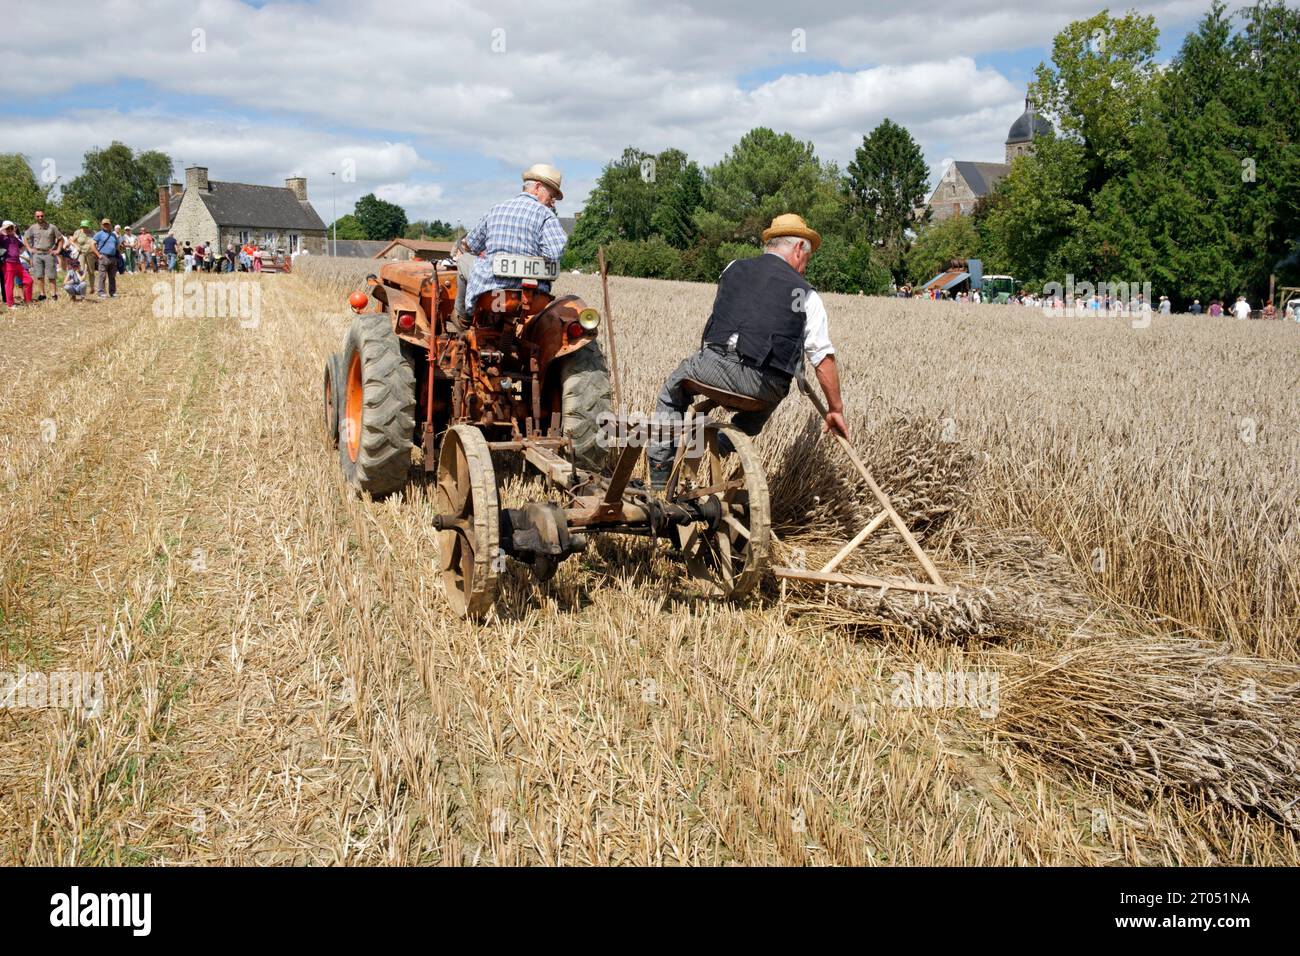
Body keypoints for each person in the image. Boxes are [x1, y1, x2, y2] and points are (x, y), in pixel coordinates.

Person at [646, 213, 847, 491]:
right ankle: (713, 444)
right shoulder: (805, 293)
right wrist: (835, 409)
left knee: (672, 393)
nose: (803, 270)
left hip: (709, 370)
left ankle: (657, 481)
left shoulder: (732, 268)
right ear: (799, 248)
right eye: (806, 261)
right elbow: (821, 357)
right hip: (761, 389)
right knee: (769, 398)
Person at [454, 163, 568, 332]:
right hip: (533, 298)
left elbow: (471, 245)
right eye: (551, 196)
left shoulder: (497, 209)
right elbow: (554, 253)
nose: (552, 204)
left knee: (464, 260)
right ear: (537, 188)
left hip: (488, 292)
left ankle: (463, 317)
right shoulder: (546, 216)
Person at [23, 210, 63, 302]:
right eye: (38, 216)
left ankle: (53, 294)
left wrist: (58, 250)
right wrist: (29, 249)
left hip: (49, 253)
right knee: (39, 275)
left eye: (41, 216)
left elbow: (60, 239)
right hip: (37, 254)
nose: (40, 218)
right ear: (35, 217)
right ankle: (42, 294)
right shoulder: (33, 228)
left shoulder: (52, 227)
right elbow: (25, 238)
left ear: (44, 216)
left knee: (51, 275)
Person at [1, 221, 33, 310]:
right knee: (9, 284)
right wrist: (2, 229)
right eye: (8, 228)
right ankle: (10, 304)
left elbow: (23, 246)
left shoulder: (14, 238)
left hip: (18, 263)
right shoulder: (2, 237)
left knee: (29, 280)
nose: (10, 230)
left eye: (11, 228)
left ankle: (28, 300)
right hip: (8, 263)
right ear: (4, 228)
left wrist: (19, 252)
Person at [92, 218, 120, 298]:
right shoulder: (99, 234)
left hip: (113, 258)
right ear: (102, 225)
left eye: (107, 224)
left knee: (112, 276)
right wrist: (98, 255)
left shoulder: (113, 235)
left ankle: (112, 292)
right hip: (103, 256)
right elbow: (92, 245)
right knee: (102, 276)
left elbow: (117, 246)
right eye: (104, 224)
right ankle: (101, 292)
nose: (106, 226)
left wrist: (118, 254)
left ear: (110, 225)